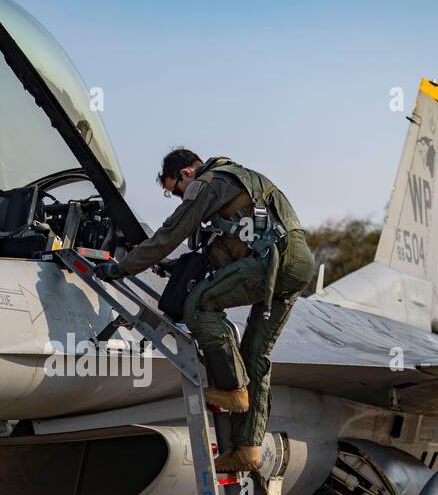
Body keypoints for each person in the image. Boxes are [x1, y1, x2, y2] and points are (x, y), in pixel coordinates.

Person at [96, 149, 315, 471]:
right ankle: (247, 451)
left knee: (198, 305)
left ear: (187, 173)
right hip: (297, 265)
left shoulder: (209, 183)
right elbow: (234, 246)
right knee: (255, 356)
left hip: (272, 263)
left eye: (176, 190)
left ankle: (232, 388)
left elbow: (171, 233)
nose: (179, 197)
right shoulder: (245, 181)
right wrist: (177, 267)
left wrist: (123, 268)